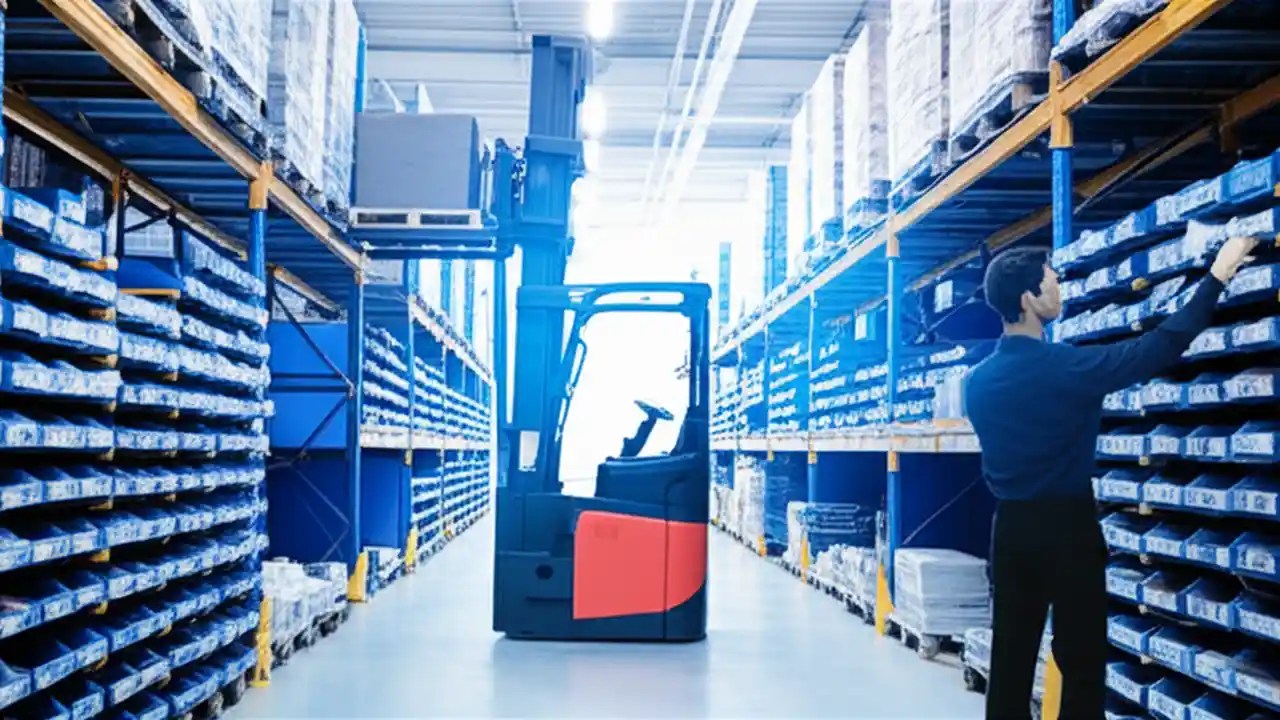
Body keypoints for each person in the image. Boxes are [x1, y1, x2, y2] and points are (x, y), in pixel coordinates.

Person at [964, 235, 1258, 720]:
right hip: (1067, 529)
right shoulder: (1069, 368)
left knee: (1010, 663)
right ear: (1029, 299)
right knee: (1081, 665)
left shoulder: (977, 383)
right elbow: (1160, 346)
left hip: (1011, 531)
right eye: (1052, 282)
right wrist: (1217, 276)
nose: (1060, 289)